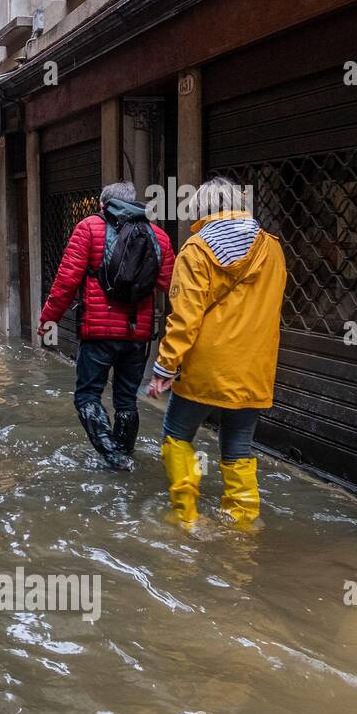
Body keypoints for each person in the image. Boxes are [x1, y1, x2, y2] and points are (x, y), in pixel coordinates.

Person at [147, 176, 286, 529]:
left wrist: (165, 367)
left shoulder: (196, 250)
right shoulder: (272, 248)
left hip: (206, 368)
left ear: (202, 209)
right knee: (239, 447)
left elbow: (184, 317)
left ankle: (187, 516)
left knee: (176, 436)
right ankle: (241, 525)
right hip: (254, 369)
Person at [37, 181, 175, 471]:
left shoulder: (88, 228)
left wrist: (49, 318)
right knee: (126, 401)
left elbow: (65, 282)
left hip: (98, 333)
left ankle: (113, 454)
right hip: (137, 334)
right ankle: (123, 459)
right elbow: (170, 285)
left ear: (103, 204)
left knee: (87, 395)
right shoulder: (157, 235)